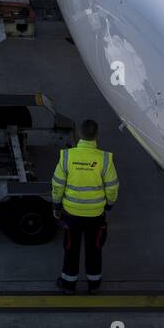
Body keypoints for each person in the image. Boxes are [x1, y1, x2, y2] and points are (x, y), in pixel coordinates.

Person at [51, 119, 119, 294]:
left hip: (71, 213)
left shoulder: (67, 156)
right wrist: (109, 205)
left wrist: (56, 205)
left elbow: (58, 184)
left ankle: (68, 285)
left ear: (80, 135)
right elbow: (112, 186)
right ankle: (94, 285)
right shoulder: (104, 159)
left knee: (71, 248)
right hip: (96, 214)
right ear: (96, 136)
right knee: (94, 248)